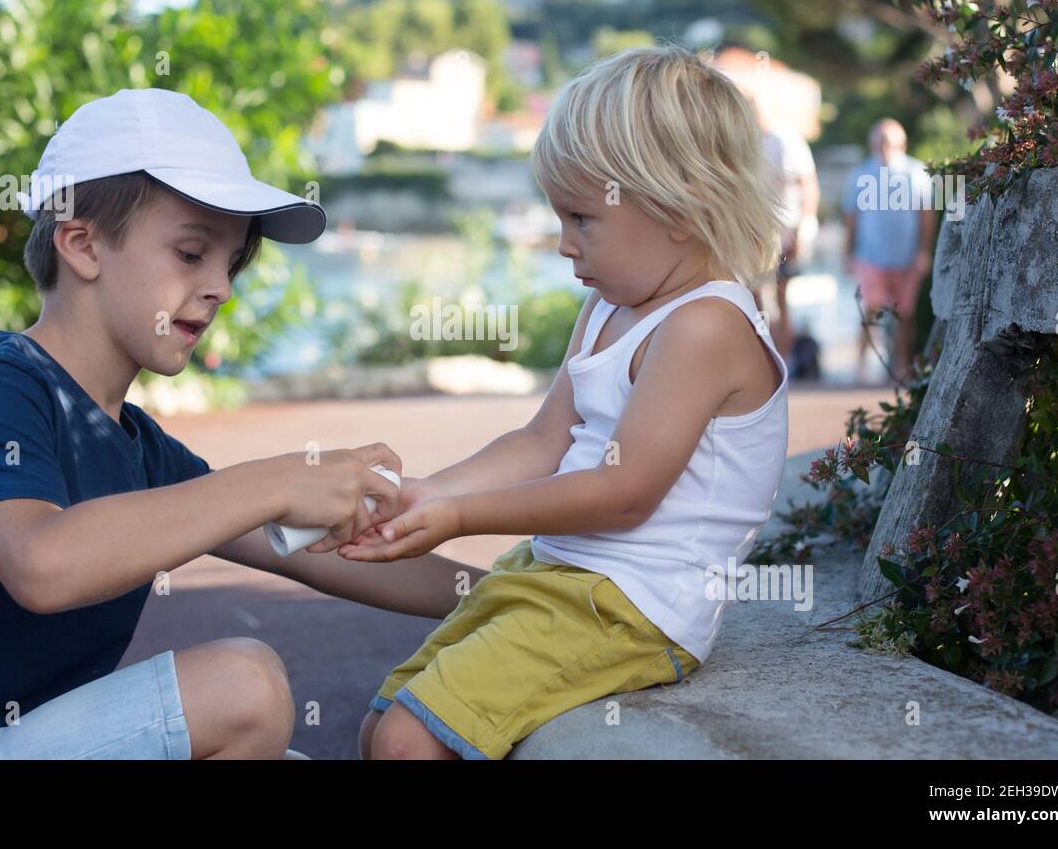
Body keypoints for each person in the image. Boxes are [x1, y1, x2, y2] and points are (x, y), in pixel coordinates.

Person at [0, 89, 484, 759]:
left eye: (233, 262)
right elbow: (43, 565)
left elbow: (325, 550)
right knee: (241, 689)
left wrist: (515, 595)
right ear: (80, 243)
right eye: (192, 254)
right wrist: (279, 481)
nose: (221, 286)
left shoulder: (138, 449)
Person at [340, 45, 791, 760]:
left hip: (633, 608)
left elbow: (624, 494)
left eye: (582, 219)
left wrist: (457, 518)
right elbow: (542, 440)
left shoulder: (706, 326)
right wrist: (426, 492)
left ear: (680, 205)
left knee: (405, 743)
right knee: (379, 724)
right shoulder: (609, 307)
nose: (562, 245)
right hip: (556, 575)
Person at [842, 119, 936, 383]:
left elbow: (928, 217)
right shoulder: (860, 175)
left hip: (906, 259)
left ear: (902, 144)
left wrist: (923, 252)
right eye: (880, 141)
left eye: (890, 142)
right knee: (869, 309)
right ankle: (860, 369)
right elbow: (850, 219)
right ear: (872, 144)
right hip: (870, 257)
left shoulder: (918, 172)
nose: (885, 147)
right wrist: (847, 253)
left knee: (904, 315)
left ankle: (902, 368)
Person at [755, 104, 819, 365]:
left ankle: (783, 358)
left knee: (780, 295)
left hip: (784, 230)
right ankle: (769, 357)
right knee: (757, 293)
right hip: (760, 231)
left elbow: (807, 184)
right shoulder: (752, 140)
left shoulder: (784, 139)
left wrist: (803, 228)